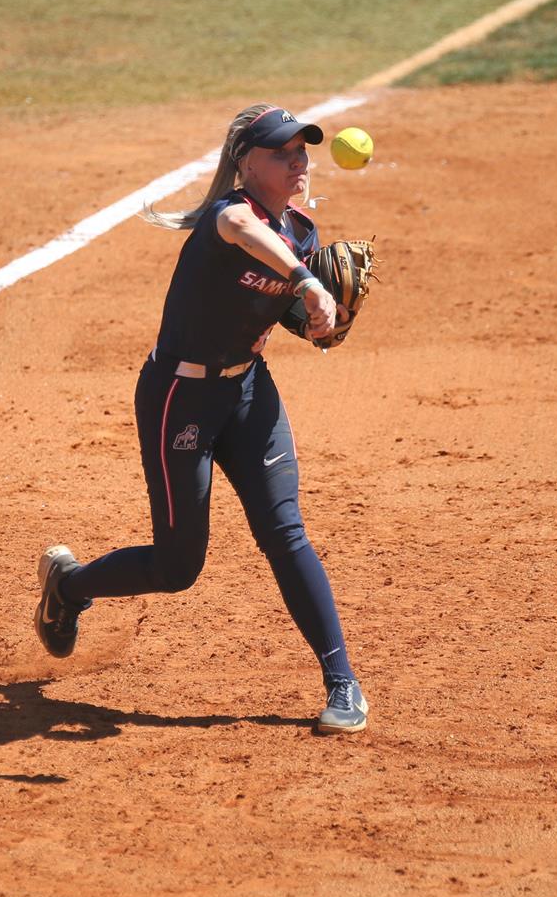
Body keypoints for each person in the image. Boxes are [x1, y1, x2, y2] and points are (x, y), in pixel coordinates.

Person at [33, 103, 369, 735]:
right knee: (178, 566)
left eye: (304, 149)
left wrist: (326, 323)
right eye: (282, 151)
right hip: (178, 400)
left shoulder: (302, 231)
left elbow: (291, 319)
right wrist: (307, 281)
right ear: (247, 162)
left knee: (284, 530)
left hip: (248, 397)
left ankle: (341, 682)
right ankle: (71, 586)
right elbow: (247, 235)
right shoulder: (229, 216)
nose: (299, 160)